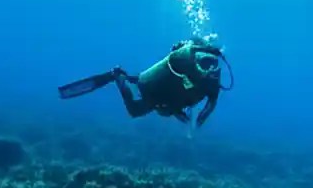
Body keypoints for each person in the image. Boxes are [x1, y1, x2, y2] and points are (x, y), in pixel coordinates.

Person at [58, 37, 232, 129]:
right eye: (205, 62)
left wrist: (195, 124)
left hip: (167, 102)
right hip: (154, 88)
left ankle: (123, 78)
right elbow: (187, 50)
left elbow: (210, 106)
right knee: (135, 109)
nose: (209, 68)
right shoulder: (186, 57)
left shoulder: (213, 84)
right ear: (198, 56)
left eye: (213, 64)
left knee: (137, 110)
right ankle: (117, 77)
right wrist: (209, 50)